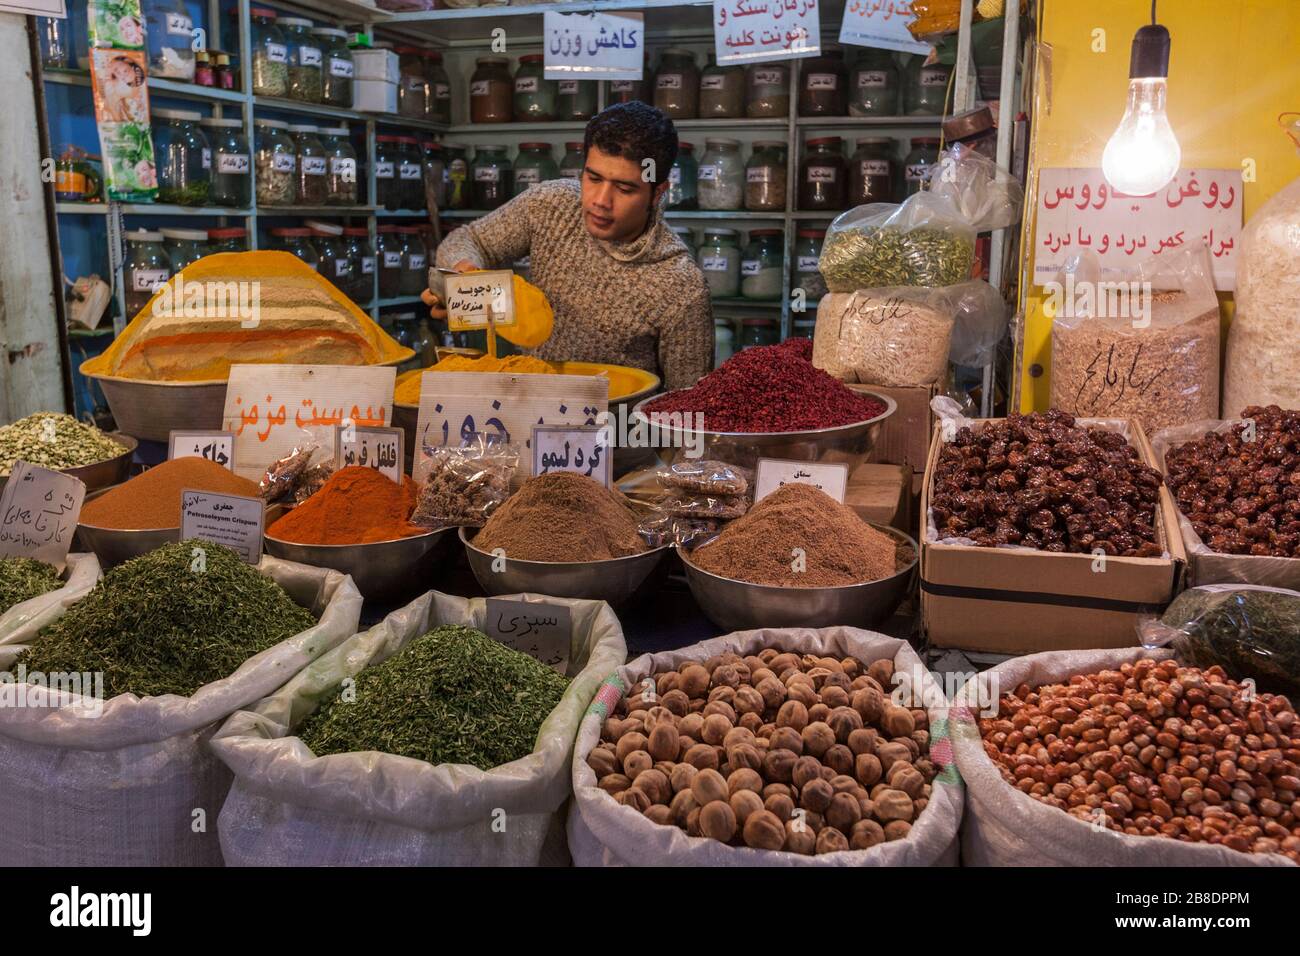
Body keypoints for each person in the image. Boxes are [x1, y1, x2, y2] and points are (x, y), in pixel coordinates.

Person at [423, 102, 713, 390]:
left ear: (657, 192)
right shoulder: (551, 206)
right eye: (593, 177)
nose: (601, 200)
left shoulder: (681, 286)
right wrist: (460, 281)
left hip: (615, 430)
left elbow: (686, 409)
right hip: (529, 409)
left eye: (624, 188)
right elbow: (469, 240)